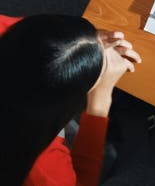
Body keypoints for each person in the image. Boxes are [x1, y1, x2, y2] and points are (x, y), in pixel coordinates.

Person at [0, 14, 142, 186]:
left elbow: (27, 34)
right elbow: (82, 180)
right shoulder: (41, 170)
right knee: (121, 157)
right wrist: (100, 99)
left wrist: (81, 44)